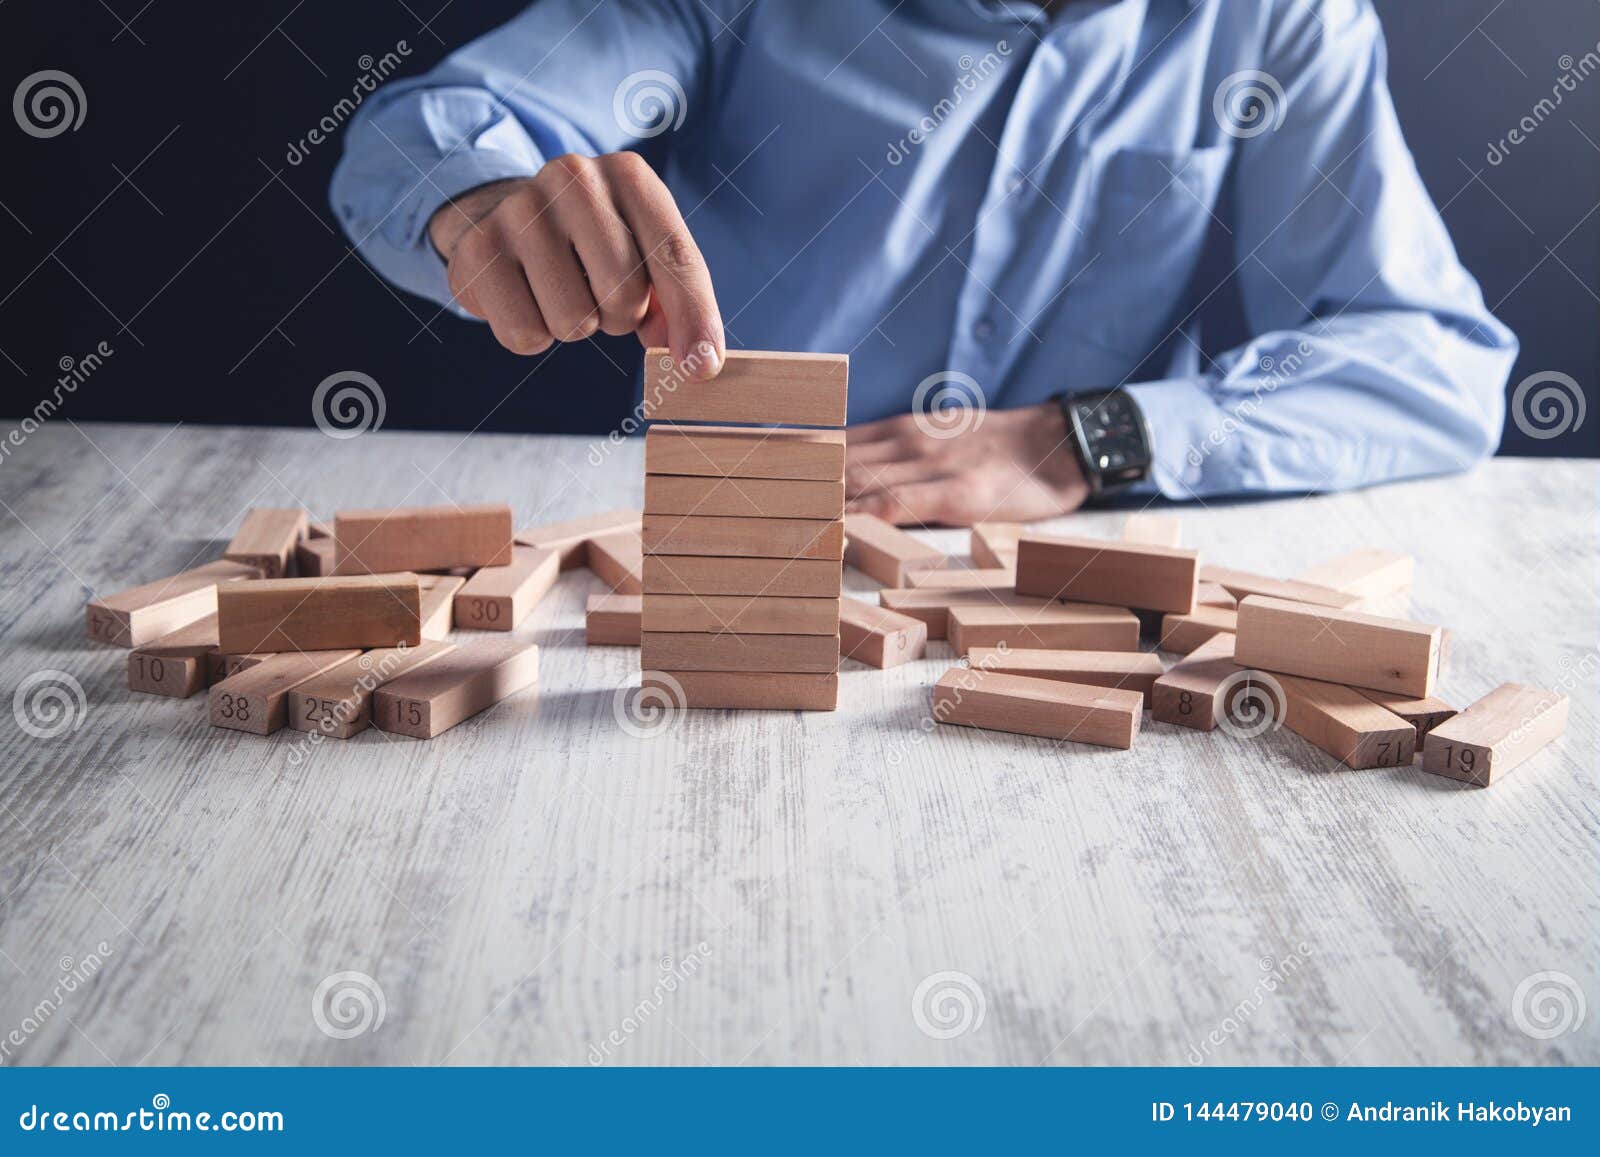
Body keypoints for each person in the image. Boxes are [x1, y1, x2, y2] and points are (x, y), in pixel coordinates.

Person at [330, 0, 1516, 526]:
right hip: (739, 551)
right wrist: (484, 201)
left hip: (1088, 591)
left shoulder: (1282, 19)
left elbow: (1433, 361)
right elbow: (427, 130)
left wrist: (1093, 437)